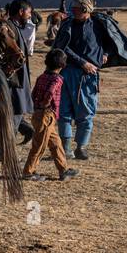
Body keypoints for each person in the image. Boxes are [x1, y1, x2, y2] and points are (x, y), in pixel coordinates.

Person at [51, 0, 107, 160]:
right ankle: (66, 149)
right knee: (64, 111)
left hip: (89, 76)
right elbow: (63, 47)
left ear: (85, 10)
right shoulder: (67, 25)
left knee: (86, 111)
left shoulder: (99, 25)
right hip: (68, 72)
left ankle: (81, 148)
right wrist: (82, 62)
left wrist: (105, 53)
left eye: (75, 9)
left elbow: (110, 43)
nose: (71, 11)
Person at [23, 49, 79, 182]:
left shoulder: (41, 77)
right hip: (47, 115)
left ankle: (63, 170)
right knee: (39, 145)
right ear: (62, 65)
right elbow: (50, 92)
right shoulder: (58, 79)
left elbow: (33, 93)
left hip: (39, 114)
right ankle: (28, 172)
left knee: (56, 143)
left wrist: (37, 106)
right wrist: (45, 104)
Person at [6, 0, 37, 145]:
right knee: (16, 112)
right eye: (29, 13)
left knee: (17, 112)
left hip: (18, 79)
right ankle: (2, 149)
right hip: (15, 80)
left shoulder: (14, 27)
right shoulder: (10, 29)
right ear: (21, 12)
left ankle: (25, 130)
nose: (30, 16)